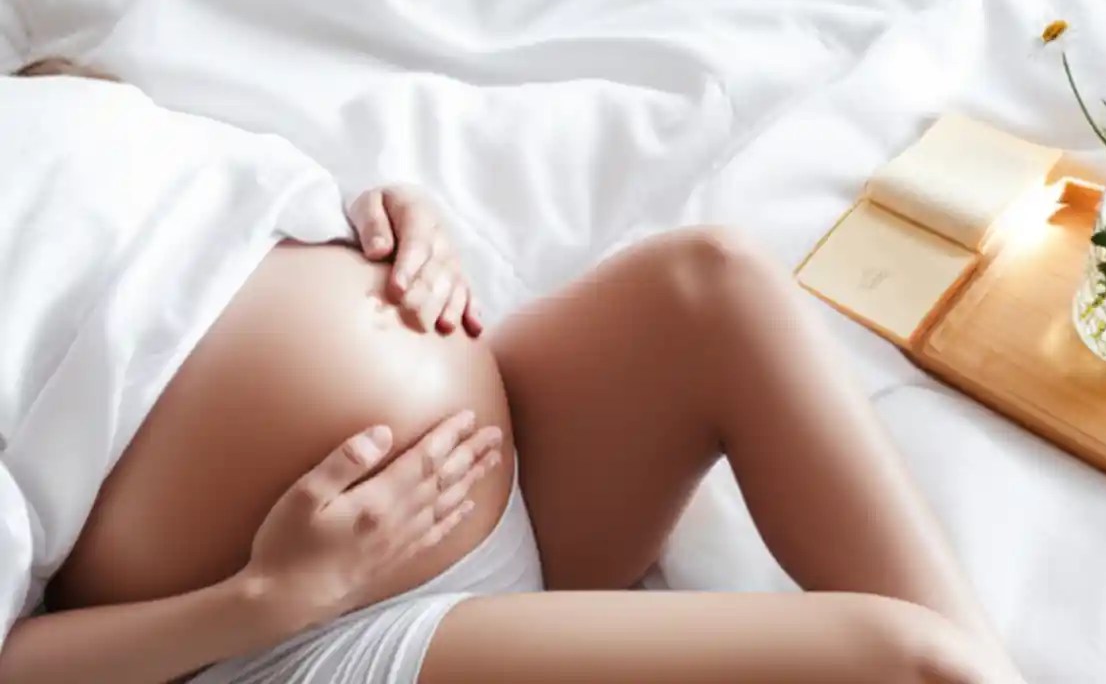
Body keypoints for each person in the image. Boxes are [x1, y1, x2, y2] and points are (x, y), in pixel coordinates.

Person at [0, 59, 1023, 684]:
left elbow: (205, 253)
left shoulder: (74, 107)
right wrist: (268, 598)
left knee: (710, 278)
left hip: (506, 470)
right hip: (306, 638)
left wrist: (385, 224)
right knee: (908, 667)